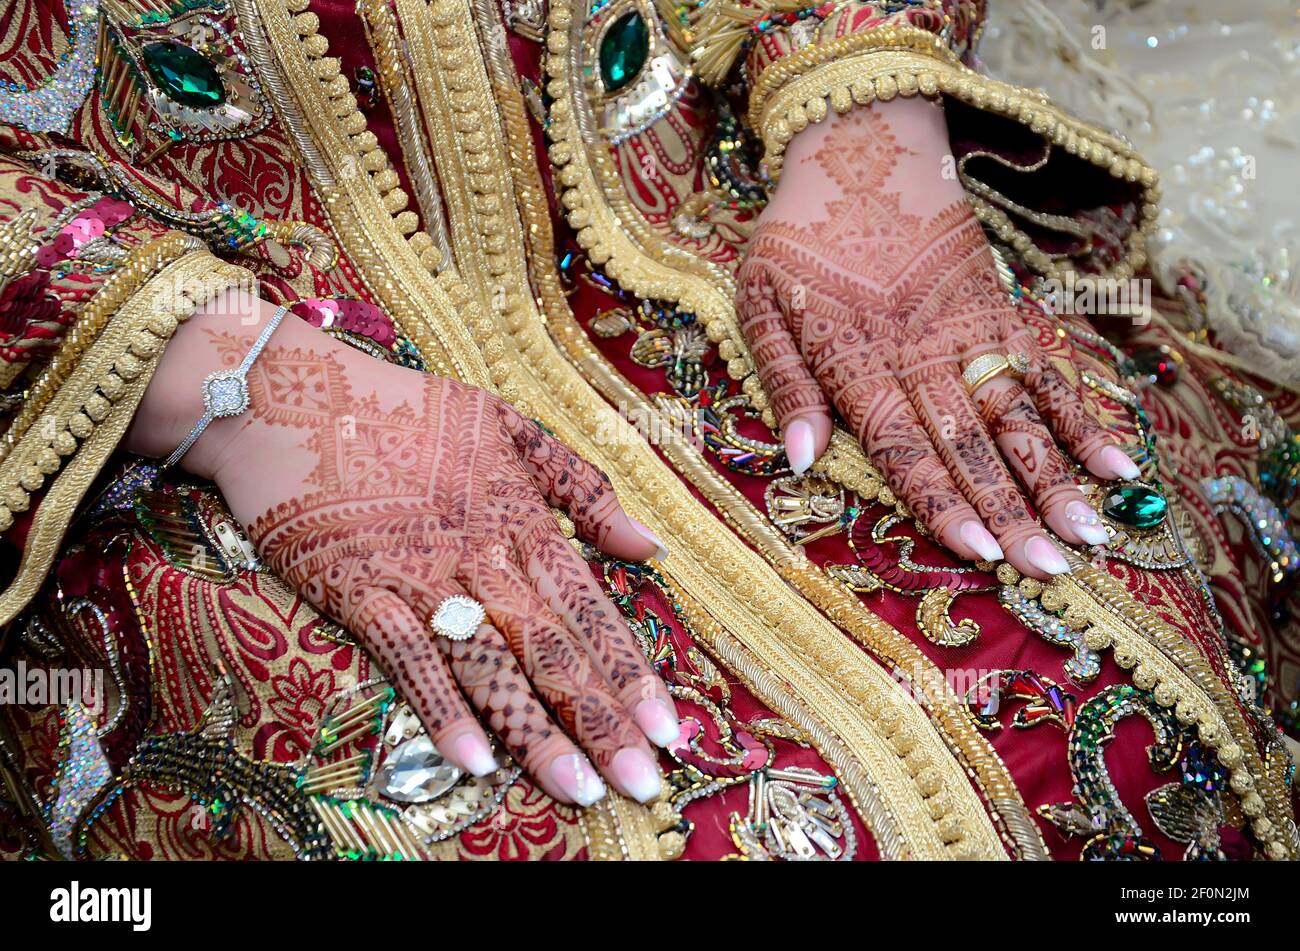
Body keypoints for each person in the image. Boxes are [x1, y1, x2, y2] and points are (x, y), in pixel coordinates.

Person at [0, 0, 1293, 860]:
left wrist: (864, 114)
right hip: (162, 371)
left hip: (731, 186)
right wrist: (228, 381)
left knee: (1146, 616)